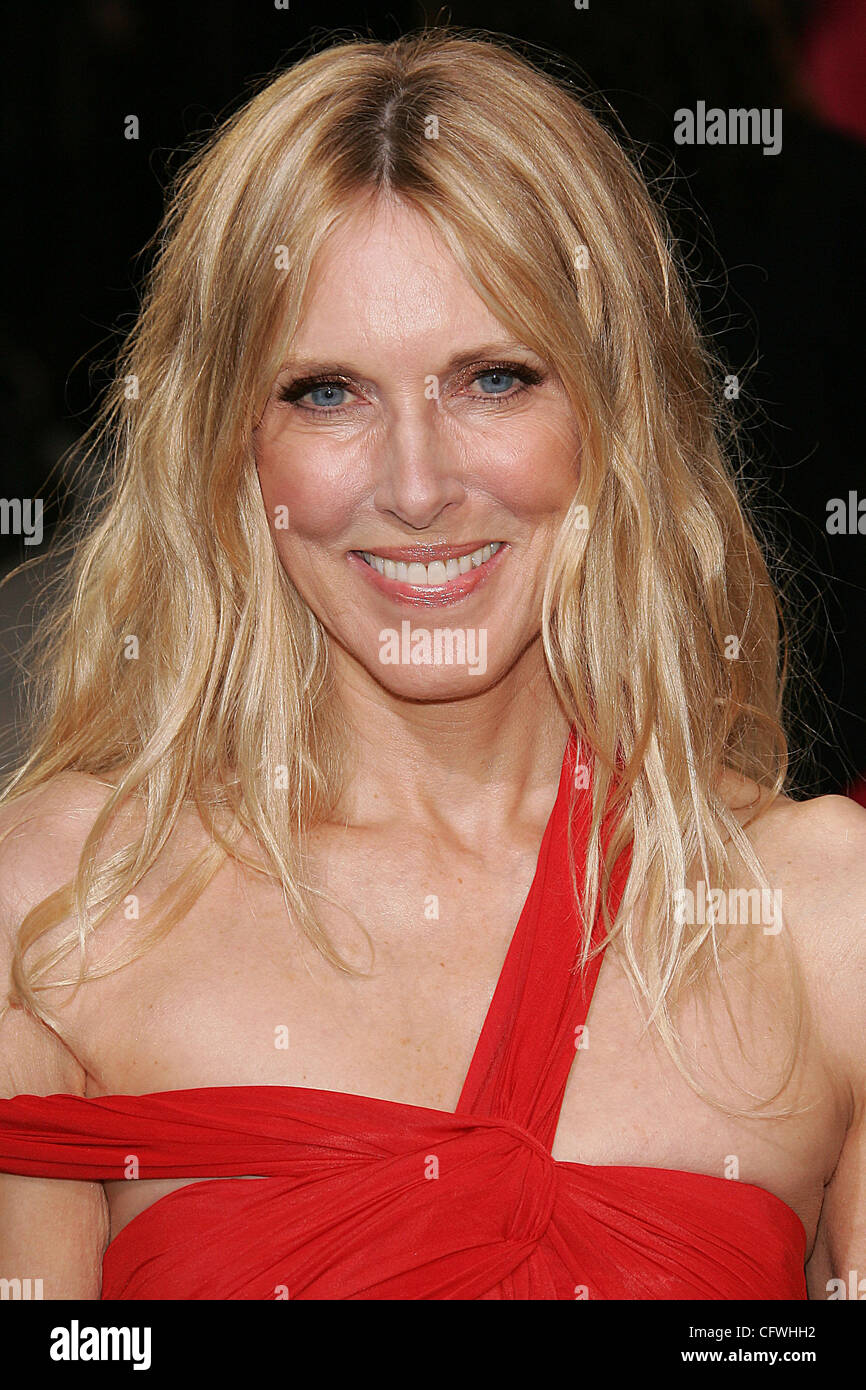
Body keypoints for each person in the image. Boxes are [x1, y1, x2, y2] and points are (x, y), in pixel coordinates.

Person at [0, 27, 862, 1301]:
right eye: (326, 394)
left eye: (494, 379)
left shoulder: (822, 920)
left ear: (615, 412)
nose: (415, 486)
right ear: (229, 441)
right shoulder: (56, 911)